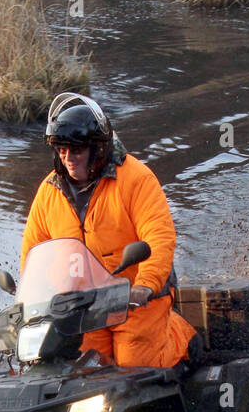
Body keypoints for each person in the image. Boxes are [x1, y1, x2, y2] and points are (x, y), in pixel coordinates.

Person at [20, 93, 197, 368]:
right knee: (81, 370)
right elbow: (33, 251)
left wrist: (145, 286)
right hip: (82, 308)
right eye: (62, 150)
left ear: (98, 149)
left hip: (136, 302)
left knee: (135, 365)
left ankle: (180, 334)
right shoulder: (48, 191)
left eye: (76, 150)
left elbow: (159, 237)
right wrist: (31, 301)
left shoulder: (137, 179)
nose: (68, 158)